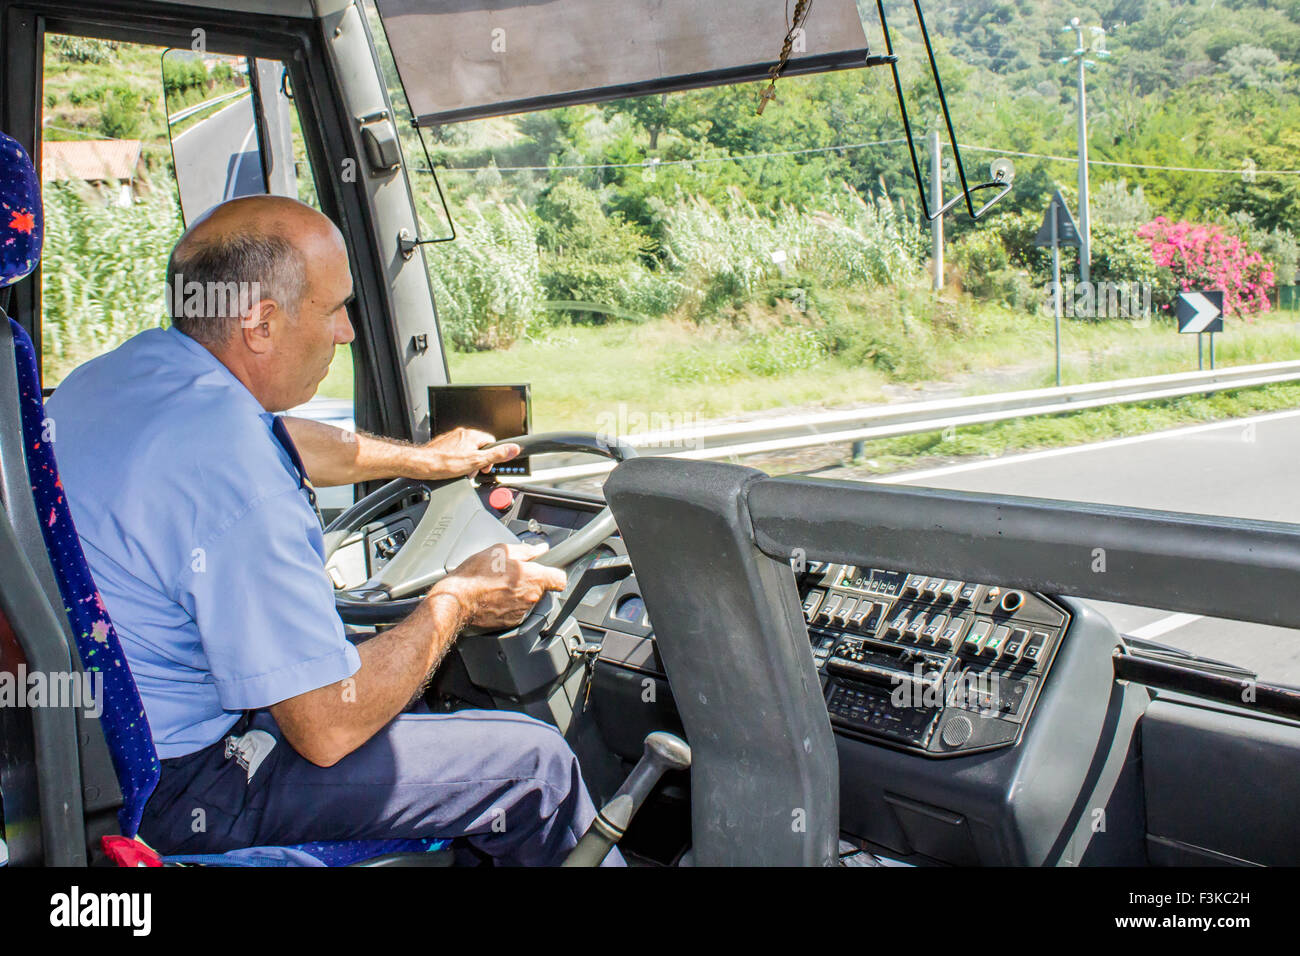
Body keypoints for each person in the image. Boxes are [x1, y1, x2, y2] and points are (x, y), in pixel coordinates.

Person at [46, 195, 621, 866]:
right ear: (259, 325)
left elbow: (281, 439)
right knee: (536, 767)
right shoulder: (237, 478)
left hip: (96, 759)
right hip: (187, 789)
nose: (347, 331)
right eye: (333, 310)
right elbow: (327, 726)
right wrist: (457, 600)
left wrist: (424, 460)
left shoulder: (120, 377)